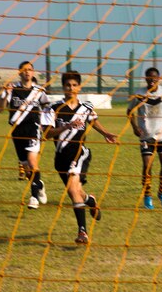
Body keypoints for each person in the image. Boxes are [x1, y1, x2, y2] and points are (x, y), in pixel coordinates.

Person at [46, 72, 117, 245]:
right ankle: (90, 201)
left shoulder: (86, 107)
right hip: (60, 157)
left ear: (79, 87)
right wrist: (67, 126)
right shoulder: (53, 108)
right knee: (76, 193)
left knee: (72, 191)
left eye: (74, 85)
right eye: (67, 85)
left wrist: (105, 133)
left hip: (79, 153)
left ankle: (82, 232)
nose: (71, 88)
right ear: (63, 87)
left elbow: (92, 121)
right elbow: (47, 133)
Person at [0, 61, 51, 208]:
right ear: (19, 72)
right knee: (27, 169)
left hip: (33, 129)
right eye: (24, 70)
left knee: (33, 164)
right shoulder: (12, 89)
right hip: (17, 131)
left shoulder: (39, 91)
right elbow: (0, 109)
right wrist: (4, 95)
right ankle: (39, 184)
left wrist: (46, 125)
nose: (27, 72)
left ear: (33, 72)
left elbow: (47, 108)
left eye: (30, 69)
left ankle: (33, 198)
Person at [127, 67, 162, 209]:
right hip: (146, 135)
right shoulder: (139, 94)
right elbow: (129, 111)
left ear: (159, 78)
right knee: (147, 165)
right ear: (145, 79)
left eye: (154, 77)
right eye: (149, 77)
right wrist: (135, 127)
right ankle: (147, 195)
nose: (152, 80)